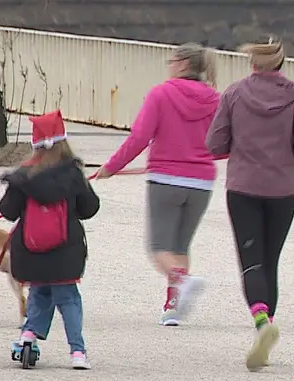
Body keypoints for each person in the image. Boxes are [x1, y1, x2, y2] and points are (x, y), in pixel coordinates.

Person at [205, 39, 294, 371]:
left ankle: (262, 323)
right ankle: (266, 327)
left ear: (252, 65)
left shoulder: (234, 94)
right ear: (281, 65)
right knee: (271, 260)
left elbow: (214, 143)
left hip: (243, 188)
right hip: (283, 189)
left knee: (251, 261)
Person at [95, 43, 221, 327]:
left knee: (158, 247)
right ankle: (172, 307)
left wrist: (111, 167)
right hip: (201, 182)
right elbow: (224, 144)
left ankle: (183, 282)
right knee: (180, 246)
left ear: (184, 64)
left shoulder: (161, 93)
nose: (169, 65)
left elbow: (139, 137)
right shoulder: (215, 99)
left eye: (172, 61)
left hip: (165, 179)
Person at [0, 111, 102, 370]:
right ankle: (77, 352)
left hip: (31, 251)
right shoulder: (73, 174)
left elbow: (8, 210)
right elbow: (89, 208)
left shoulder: (23, 176)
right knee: (68, 298)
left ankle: (28, 335)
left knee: (39, 291)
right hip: (65, 252)